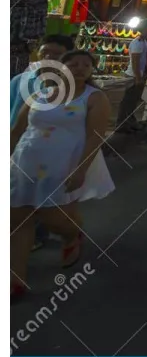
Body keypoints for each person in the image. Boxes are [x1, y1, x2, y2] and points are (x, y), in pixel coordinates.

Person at [11, 50, 115, 299]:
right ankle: (15, 281)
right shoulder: (40, 94)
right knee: (16, 221)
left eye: (86, 65)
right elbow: (18, 129)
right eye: (74, 63)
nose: (80, 68)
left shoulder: (94, 98)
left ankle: (71, 234)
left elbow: (95, 136)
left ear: (92, 70)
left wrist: (81, 169)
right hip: (24, 162)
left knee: (50, 215)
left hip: (61, 165)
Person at [10, 35, 73, 252]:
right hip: (20, 145)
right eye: (45, 52)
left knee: (41, 195)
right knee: (18, 193)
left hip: (50, 152)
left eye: (56, 54)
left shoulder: (71, 87)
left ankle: (46, 233)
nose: (49, 57)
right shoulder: (20, 80)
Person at [117, 21, 147, 133]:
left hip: (142, 75)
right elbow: (135, 62)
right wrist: (138, 78)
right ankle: (122, 124)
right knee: (128, 100)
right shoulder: (137, 42)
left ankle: (130, 121)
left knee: (134, 101)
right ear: (146, 28)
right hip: (134, 75)